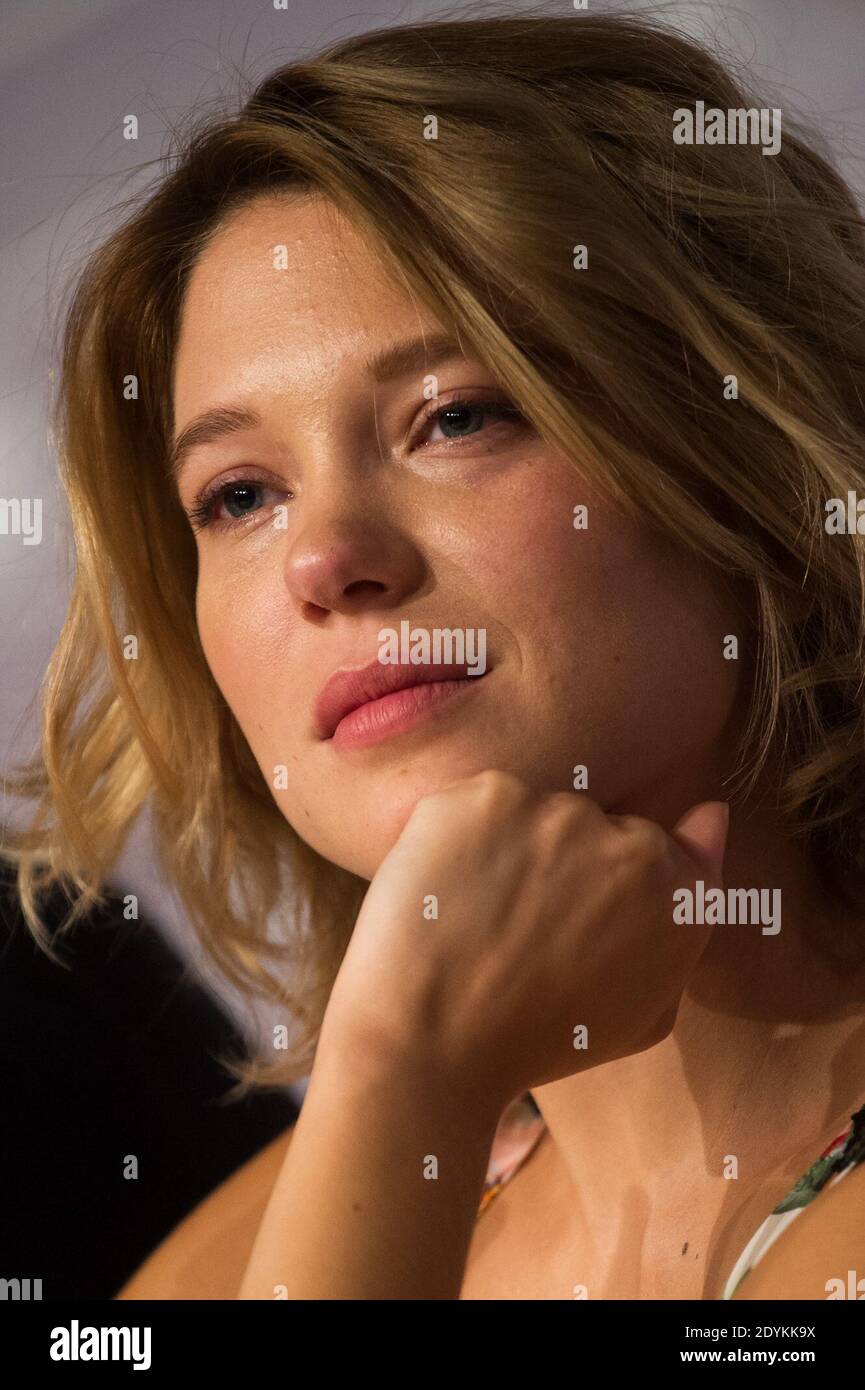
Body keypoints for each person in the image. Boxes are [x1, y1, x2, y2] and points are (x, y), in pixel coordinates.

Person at [4, 6, 865, 1300]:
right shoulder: (212, 1270)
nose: (322, 558)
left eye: (452, 416)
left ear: (758, 473)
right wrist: (402, 1094)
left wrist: (404, 1072)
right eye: (238, 496)